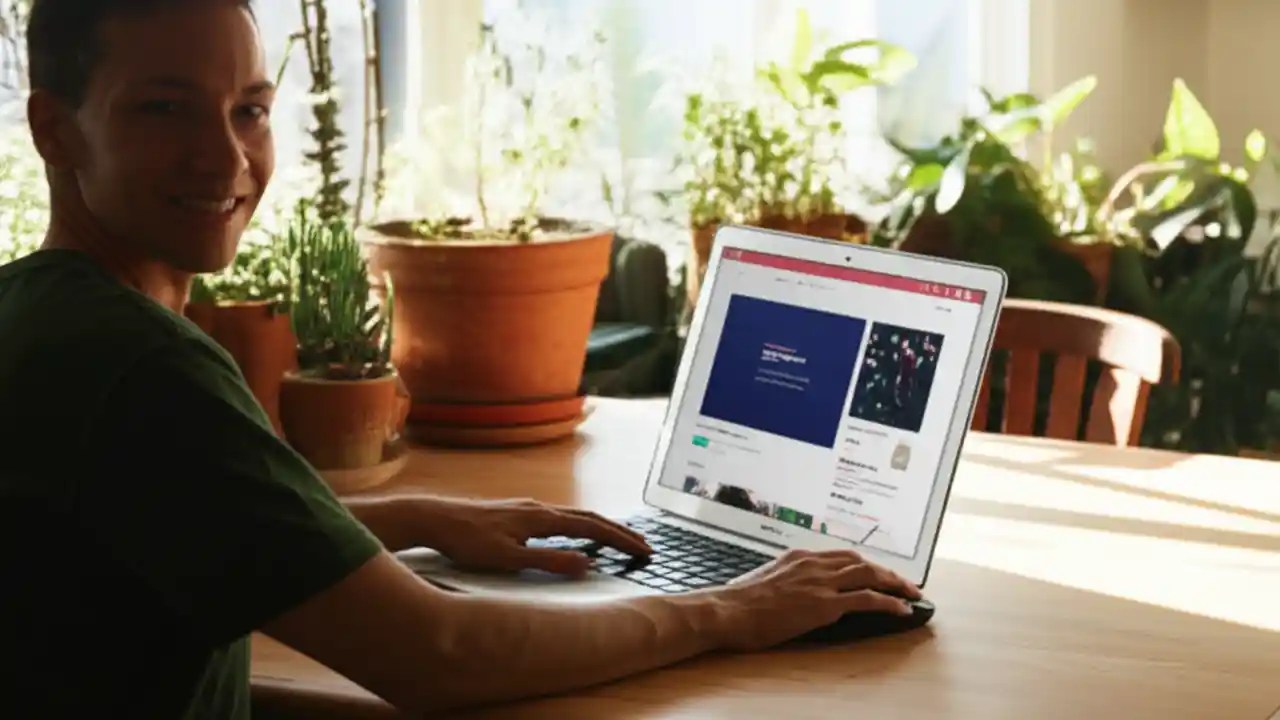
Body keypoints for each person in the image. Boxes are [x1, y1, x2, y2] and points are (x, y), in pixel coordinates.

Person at [0, 1, 921, 717]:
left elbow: (179, 516)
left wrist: (410, 515)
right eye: (165, 108)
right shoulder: (143, 367)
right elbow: (438, 655)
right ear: (55, 130)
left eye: (250, 109)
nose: (226, 156)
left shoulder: (40, 315)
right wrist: (730, 610)